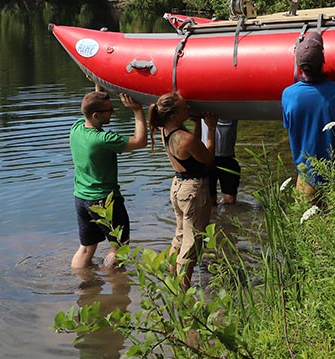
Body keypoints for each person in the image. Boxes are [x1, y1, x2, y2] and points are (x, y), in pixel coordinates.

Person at [70, 90, 149, 270]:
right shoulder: (103, 139)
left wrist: (98, 84)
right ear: (96, 115)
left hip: (81, 199)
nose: (112, 112)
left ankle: (81, 284)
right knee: (119, 246)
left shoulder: (76, 128)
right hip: (105, 201)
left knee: (86, 247)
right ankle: (117, 288)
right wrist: (137, 110)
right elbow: (140, 141)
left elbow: (92, 104)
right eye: (110, 110)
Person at [150, 91, 217, 289]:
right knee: (192, 242)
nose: (189, 108)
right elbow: (207, 158)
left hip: (178, 187)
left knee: (180, 235)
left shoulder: (166, 131)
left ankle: (171, 276)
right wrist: (210, 130)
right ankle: (183, 290)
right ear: (173, 115)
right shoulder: (184, 139)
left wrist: (197, 125)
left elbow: (191, 151)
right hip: (193, 189)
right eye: (184, 108)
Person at [281, 30, 335, 196]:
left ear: (298, 66)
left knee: (306, 221)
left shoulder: (288, 94)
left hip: (305, 177)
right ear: (323, 60)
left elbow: (291, 128)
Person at [200, 118, 240, 204]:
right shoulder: (205, 111)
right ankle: (214, 216)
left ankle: (227, 216)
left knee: (230, 201)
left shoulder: (234, 110)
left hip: (228, 158)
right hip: (207, 158)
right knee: (209, 200)